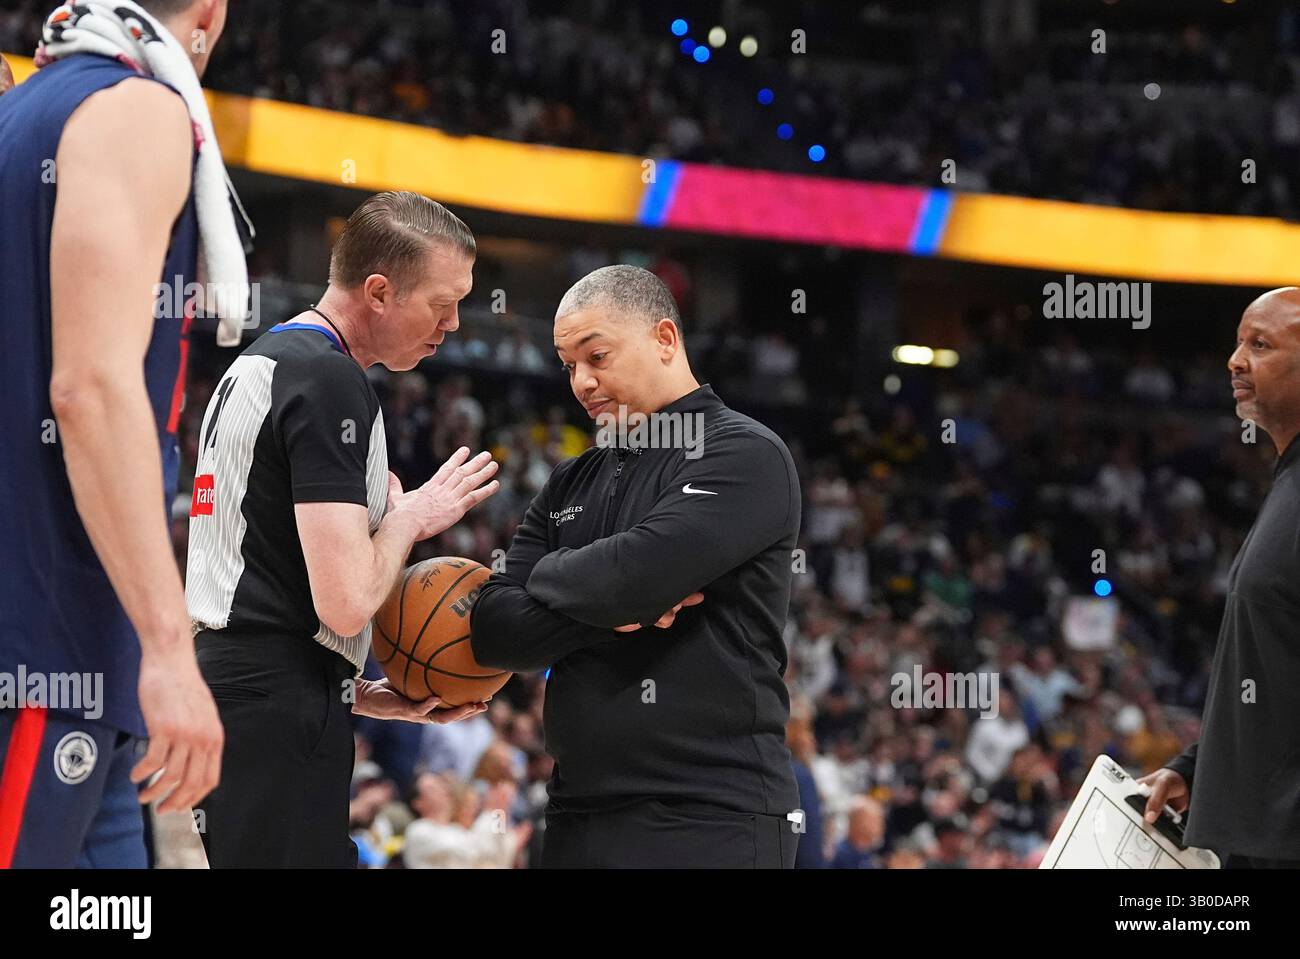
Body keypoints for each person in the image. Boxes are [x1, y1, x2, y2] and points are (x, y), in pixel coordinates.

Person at [185, 191, 498, 867]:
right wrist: (410, 518)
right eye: (442, 302)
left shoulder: (262, 361)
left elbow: (259, 579)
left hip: (250, 693)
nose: (453, 322)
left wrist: (353, 691)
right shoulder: (329, 380)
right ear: (379, 291)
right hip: (275, 716)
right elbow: (347, 601)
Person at [0, 0, 240, 869]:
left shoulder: (20, 111)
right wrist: (173, 650)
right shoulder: (136, 108)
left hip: (88, 656)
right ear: (209, 12)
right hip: (43, 638)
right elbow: (92, 389)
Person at [471, 264, 802, 868]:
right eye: (569, 365)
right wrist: (611, 604)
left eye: (597, 356)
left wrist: (552, 575)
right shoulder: (572, 476)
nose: (583, 382)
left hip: (710, 814)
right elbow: (497, 630)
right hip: (576, 812)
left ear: (666, 339)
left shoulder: (745, 453)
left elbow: (631, 581)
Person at [1141, 287, 1300, 868]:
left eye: (1260, 344)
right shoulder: (1287, 481)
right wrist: (1201, 768)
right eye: (1238, 343)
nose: (1235, 361)